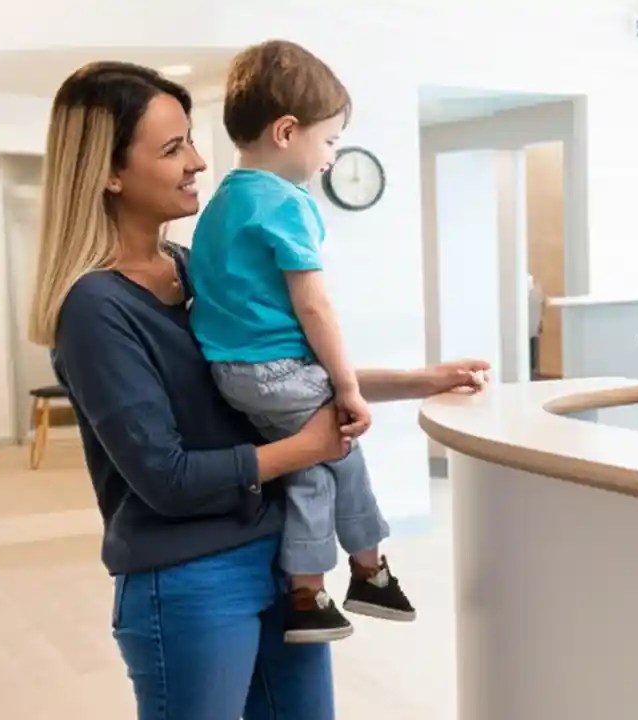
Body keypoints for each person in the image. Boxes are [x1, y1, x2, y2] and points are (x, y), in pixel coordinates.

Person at [29, 61, 488, 719]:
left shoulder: (187, 269)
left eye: (189, 139)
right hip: (189, 579)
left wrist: (422, 380)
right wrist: (306, 450)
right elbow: (166, 477)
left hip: (274, 558)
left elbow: (276, 381)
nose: (197, 162)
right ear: (109, 172)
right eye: (171, 148)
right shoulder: (95, 308)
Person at [187, 39, 408, 644]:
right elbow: (313, 303)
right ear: (288, 131)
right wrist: (347, 386)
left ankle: (310, 591)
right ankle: (368, 570)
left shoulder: (222, 203)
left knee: (311, 471)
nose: (333, 156)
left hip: (232, 372)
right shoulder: (289, 203)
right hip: (278, 369)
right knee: (341, 448)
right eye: (331, 140)